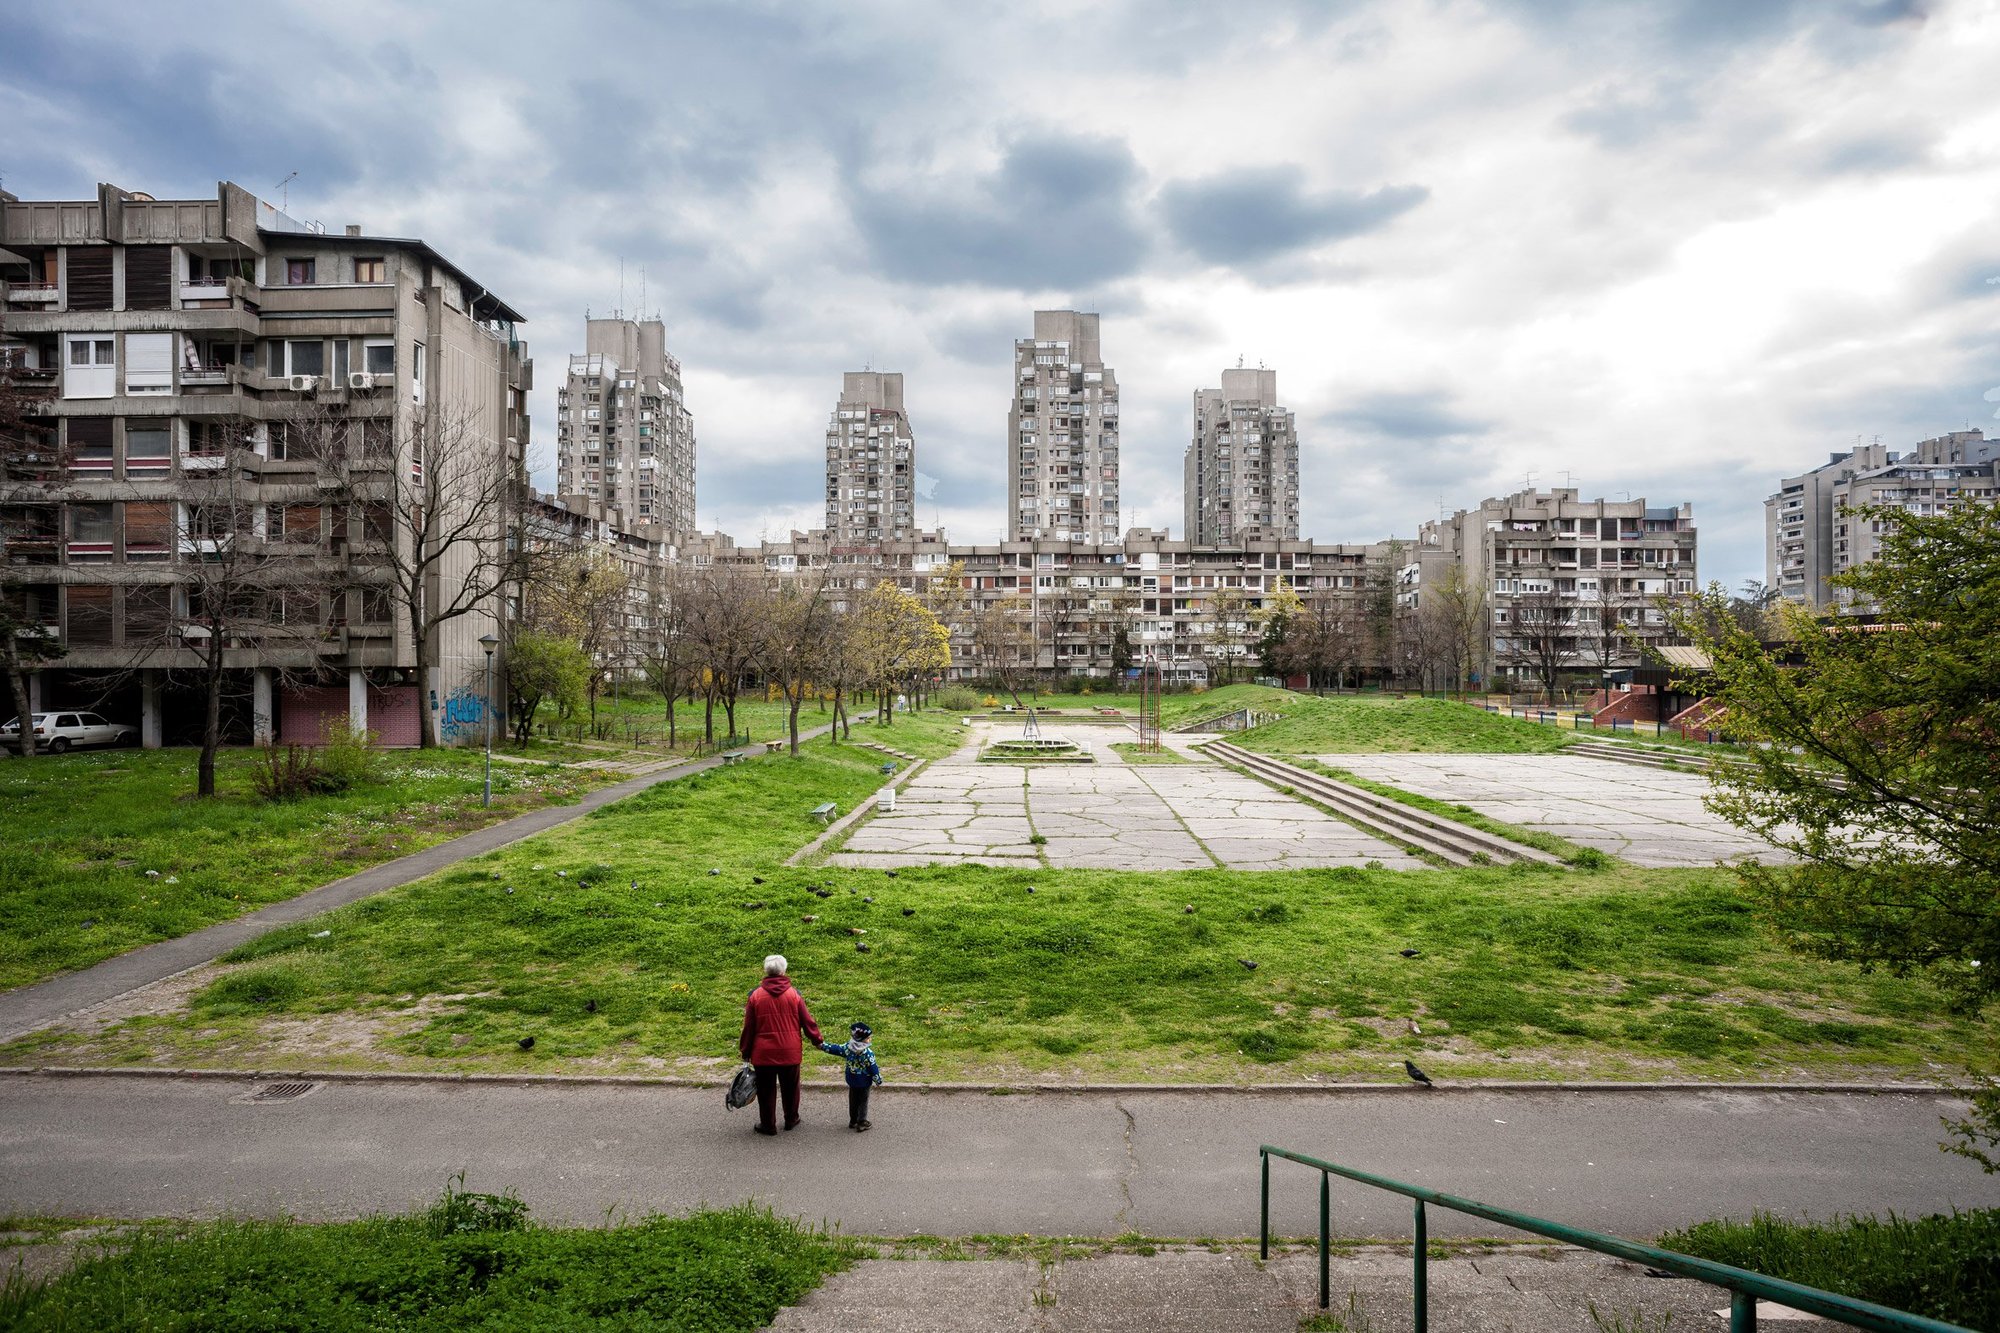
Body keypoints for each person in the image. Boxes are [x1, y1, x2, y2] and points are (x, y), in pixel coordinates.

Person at [738, 954, 821, 1136]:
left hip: (763, 1054)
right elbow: (807, 1021)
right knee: (791, 1088)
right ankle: (791, 1119)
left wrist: (745, 1050)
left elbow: (749, 1027)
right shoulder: (794, 995)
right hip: (789, 1052)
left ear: (766, 971)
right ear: (783, 971)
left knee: (766, 1092)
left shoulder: (755, 997)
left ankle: (768, 1125)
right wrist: (817, 1040)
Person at [818, 1022, 884, 1132]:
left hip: (852, 1080)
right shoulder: (867, 1053)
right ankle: (862, 1122)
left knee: (853, 1100)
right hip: (864, 1082)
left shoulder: (848, 1048)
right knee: (863, 1101)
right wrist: (878, 1080)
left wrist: (823, 1046)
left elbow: (836, 1049)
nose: (870, 1039)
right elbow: (873, 1068)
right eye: (868, 1038)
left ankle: (853, 1121)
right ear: (862, 1039)